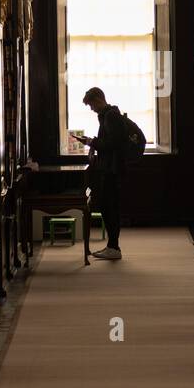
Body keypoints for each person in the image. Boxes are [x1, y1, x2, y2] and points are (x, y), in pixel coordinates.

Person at [79, 87, 125, 260]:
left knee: (110, 207)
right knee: (108, 207)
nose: (91, 109)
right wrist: (94, 143)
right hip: (110, 168)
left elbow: (113, 143)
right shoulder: (108, 115)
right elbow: (109, 141)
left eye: (91, 104)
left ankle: (114, 247)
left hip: (113, 170)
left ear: (98, 99)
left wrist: (93, 142)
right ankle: (113, 247)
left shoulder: (111, 116)